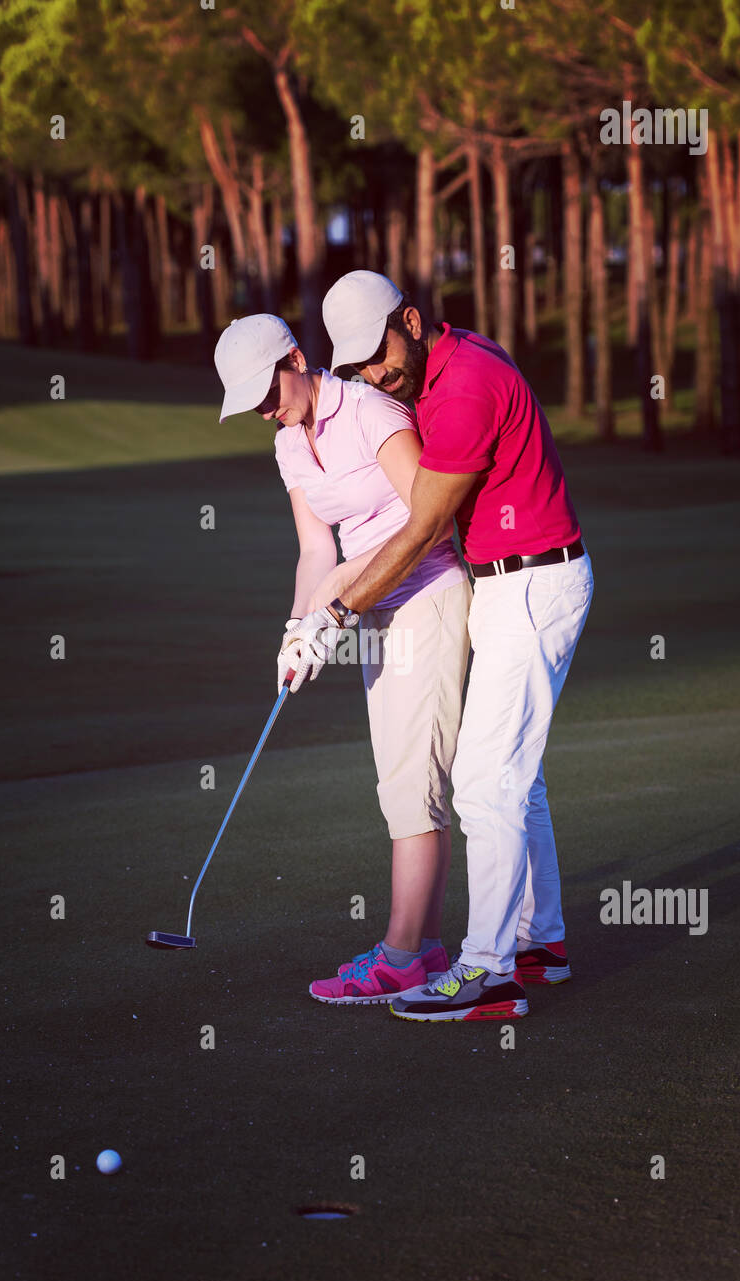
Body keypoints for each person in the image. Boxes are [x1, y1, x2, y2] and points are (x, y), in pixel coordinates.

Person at [284, 271, 594, 1023]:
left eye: (380, 352)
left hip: (532, 585)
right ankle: (536, 943)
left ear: (411, 321)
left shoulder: (460, 392)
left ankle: (486, 973)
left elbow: (420, 527)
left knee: (485, 782)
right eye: (357, 363)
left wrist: (336, 611)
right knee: (519, 778)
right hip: (502, 583)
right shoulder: (457, 356)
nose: (374, 371)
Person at [213, 313, 471, 1005]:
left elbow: (431, 514)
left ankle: (401, 957)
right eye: (250, 404)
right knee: (398, 781)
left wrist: (332, 610)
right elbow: (317, 551)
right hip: (362, 610)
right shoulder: (289, 446)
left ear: (296, 358)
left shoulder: (368, 409)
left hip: (426, 598)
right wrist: (297, 631)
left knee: (413, 783)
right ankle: (423, 945)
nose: (264, 409)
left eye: (266, 390)